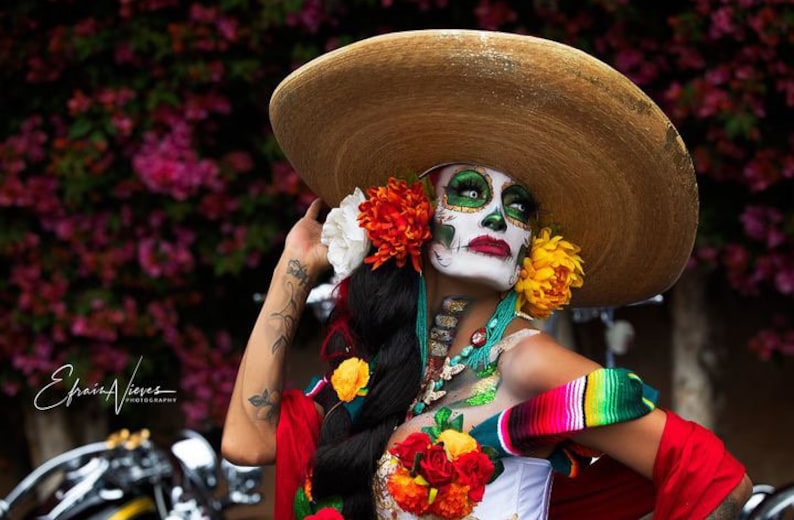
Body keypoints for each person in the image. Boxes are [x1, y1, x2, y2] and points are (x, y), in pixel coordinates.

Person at [222, 30, 751, 519]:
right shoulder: (384, 368)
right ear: (415, 214)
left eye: (518, 206)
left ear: (531, 248)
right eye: (470, 191)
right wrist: (294, 268)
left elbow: (720, 483)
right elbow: (248, 443)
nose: (499, 217)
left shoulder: (529, 363)